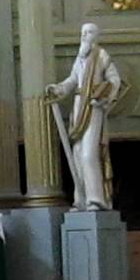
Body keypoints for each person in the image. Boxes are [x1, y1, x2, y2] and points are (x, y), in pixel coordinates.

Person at [46, 21, 123, 211]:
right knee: (78, 154)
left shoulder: (101, 55)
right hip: (78, 108)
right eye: (82, 32)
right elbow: (73, 80)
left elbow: (114, 80)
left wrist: (104, 98)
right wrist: (58, 88)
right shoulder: (80, 57)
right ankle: (81, 199)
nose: (84, 36)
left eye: (88, 32)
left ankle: (96, 199)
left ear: (96, 36)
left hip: (93, 107)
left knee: (89, 153)